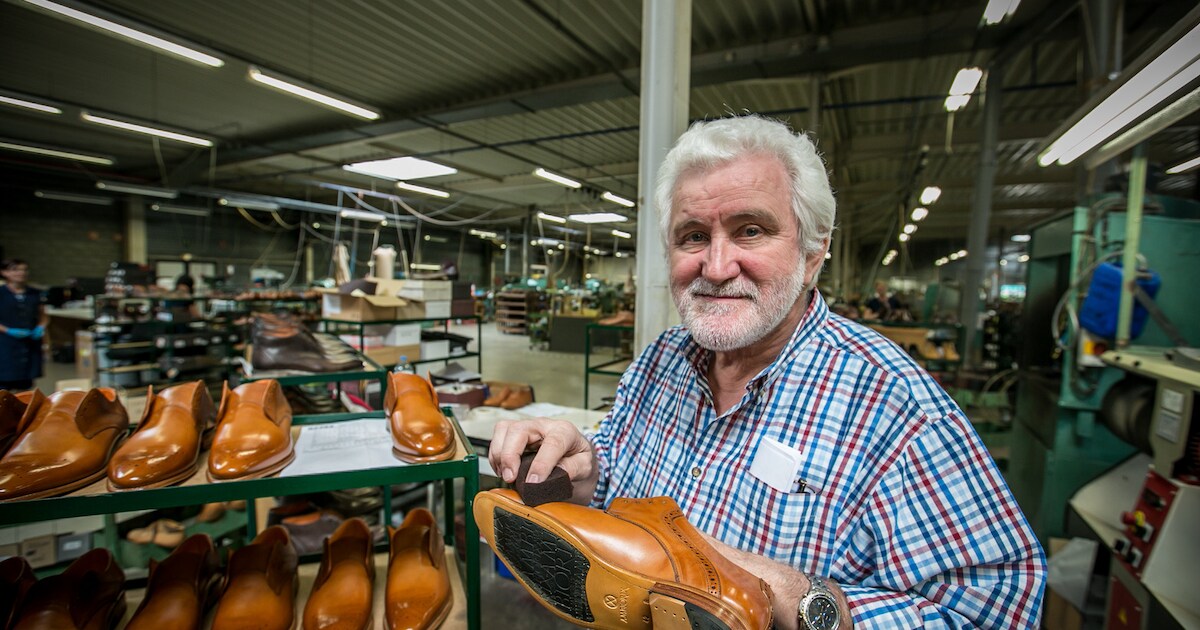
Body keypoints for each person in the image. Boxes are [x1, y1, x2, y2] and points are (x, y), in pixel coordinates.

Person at [489, 115, 1045, 628]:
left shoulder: (895, 407)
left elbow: (996, 611)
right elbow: (617, 470)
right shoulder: (660, 361)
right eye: (693, 236)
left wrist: (787, 593)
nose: (716, 265)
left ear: (812, 254)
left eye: (751, 230)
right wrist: (584, 467)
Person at [0, 259, 48, 391]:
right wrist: (8, 330)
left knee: (26, 385)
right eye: (15, 269)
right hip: (5, 344)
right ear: (4, 272)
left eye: (24, 269)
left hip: (29, 344)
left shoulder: (35, 293)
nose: (21, 273)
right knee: (4, 385)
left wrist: (41, 327)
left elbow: (43, 315)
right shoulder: (1, 293)